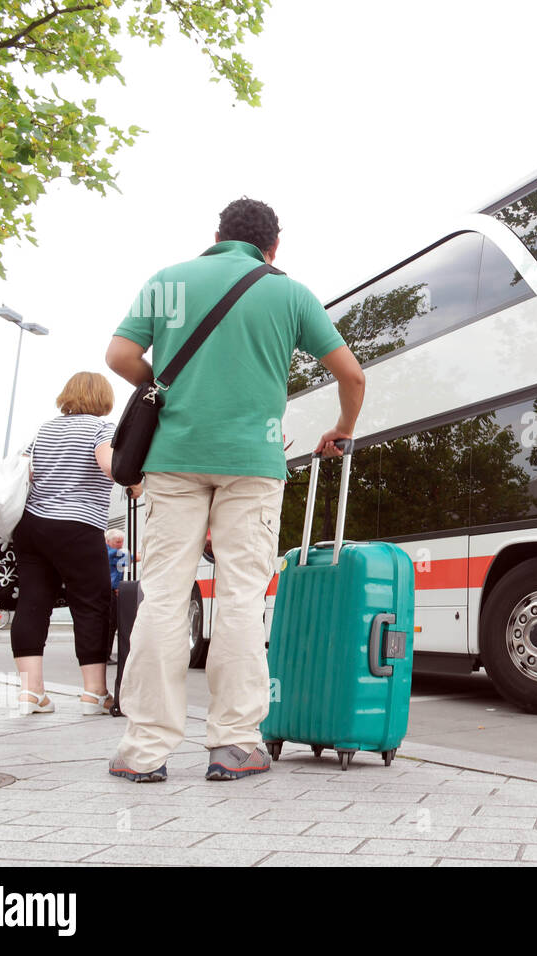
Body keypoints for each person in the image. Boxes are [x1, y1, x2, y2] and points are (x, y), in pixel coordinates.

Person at [105, 197, 365, 783]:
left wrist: (165, 384)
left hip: (173, 462)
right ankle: (234, 745)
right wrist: (341, 429)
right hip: (253, 462)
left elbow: (119, 355)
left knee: (165, 597)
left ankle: (143, 750)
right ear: (273, 247)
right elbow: (351, 374)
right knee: (243, 598)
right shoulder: (289, 292)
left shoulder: (169, 280)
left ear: (217, 235)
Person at [10, 372, 119, 717]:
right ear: (103, 399)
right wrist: (133, 477)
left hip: (31, 525)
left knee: (31, 603)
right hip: (76, 527)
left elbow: (23, 473)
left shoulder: (45, 429)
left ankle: (31, 692)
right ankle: (94, 694)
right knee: (91, 604)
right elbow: (109, 466)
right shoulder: (101, 428)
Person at [104, 529, 129, 665]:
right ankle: (105, 655)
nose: (120, 544)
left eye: (122, 542)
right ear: (108, 542)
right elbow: (130, 557)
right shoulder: (110, 552)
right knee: (110, 623)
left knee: (113, 623)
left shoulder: (115, 552)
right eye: (117, 542)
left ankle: (106, 654)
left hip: (114, 590)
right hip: (109, 591)